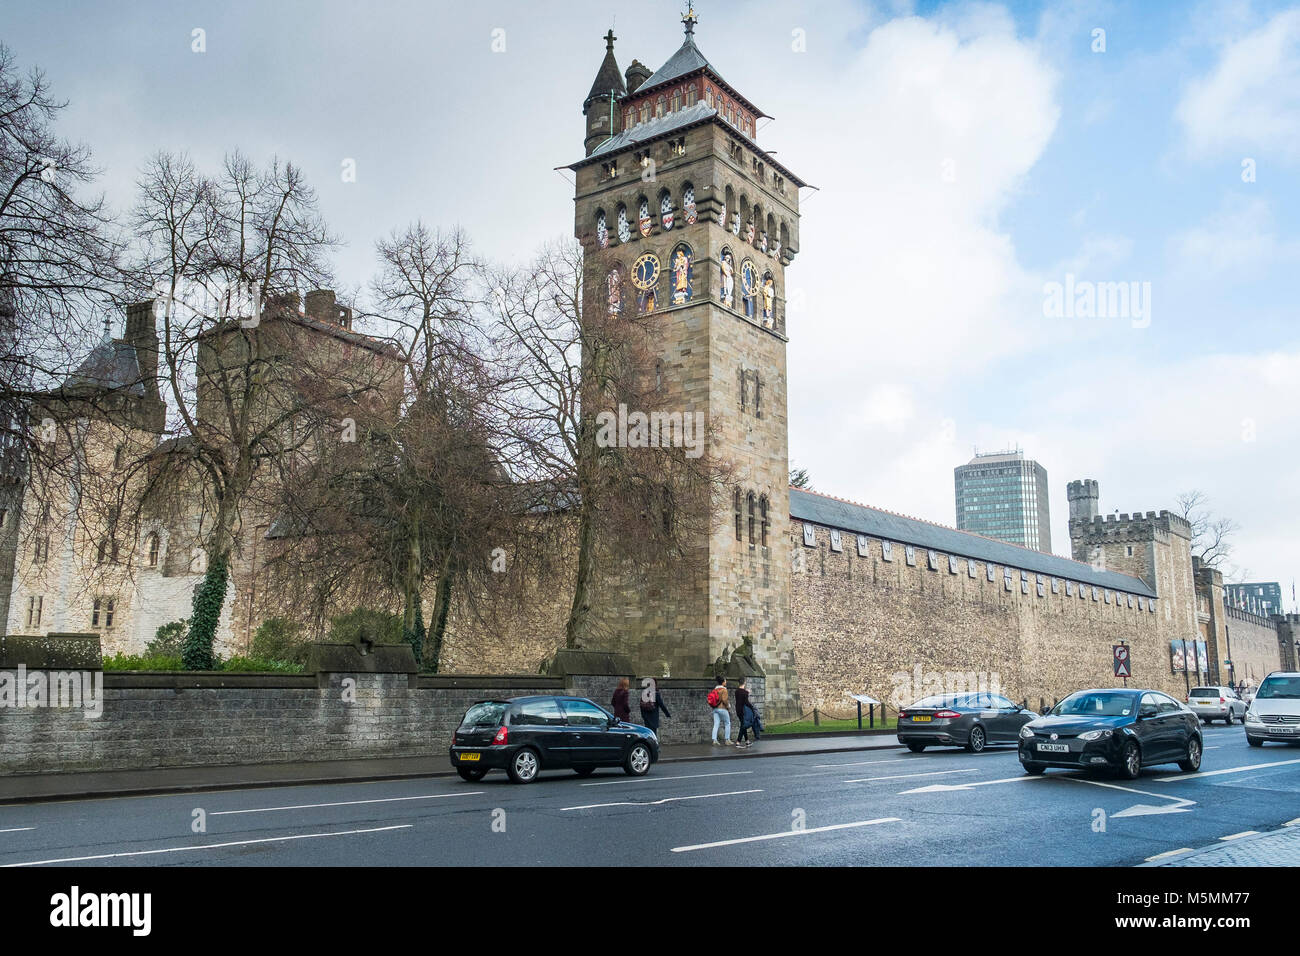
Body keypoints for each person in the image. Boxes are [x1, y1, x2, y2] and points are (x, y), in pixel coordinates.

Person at [709, 676, 733, 746]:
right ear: (723, 682)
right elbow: (724, 700)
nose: (726, 682)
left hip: (715, 709)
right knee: (727, 723)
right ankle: (727, 740)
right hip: (722, 708)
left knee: (716, 724)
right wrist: (728, 706)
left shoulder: (715, 689)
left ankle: (714, 740)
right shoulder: (724, 690)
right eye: (725, 681)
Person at [735, 677, 758, 747]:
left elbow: (740, 698)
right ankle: (738, 742)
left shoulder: (736, 691)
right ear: (744, 682)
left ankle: (747, 741)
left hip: (738, 710)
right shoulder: (745, 692)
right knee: (743, 726)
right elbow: (746, 702)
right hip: (743, 711)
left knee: (743, 724)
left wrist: (746, 693)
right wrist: (752, 707)